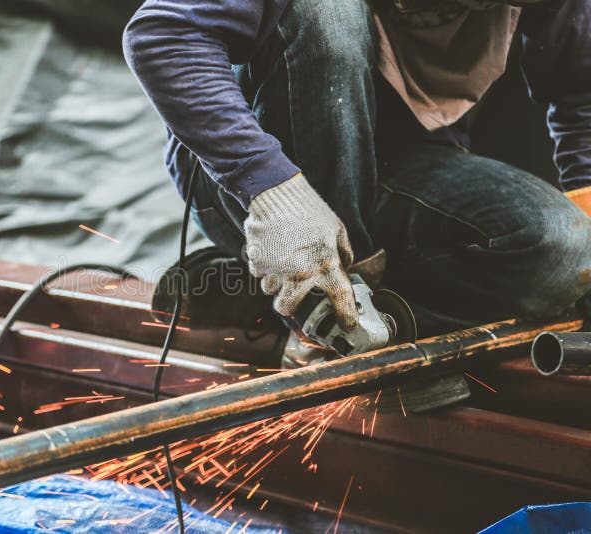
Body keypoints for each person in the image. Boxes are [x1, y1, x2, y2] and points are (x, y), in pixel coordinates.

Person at [123, 0, 591, 374]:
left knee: (565, 248)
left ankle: (358, 314)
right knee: (325, 9)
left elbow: (580, 99)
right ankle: (317, 306)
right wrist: (274, 193)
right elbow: (162, 35)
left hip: (402, 164)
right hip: (252, 177)